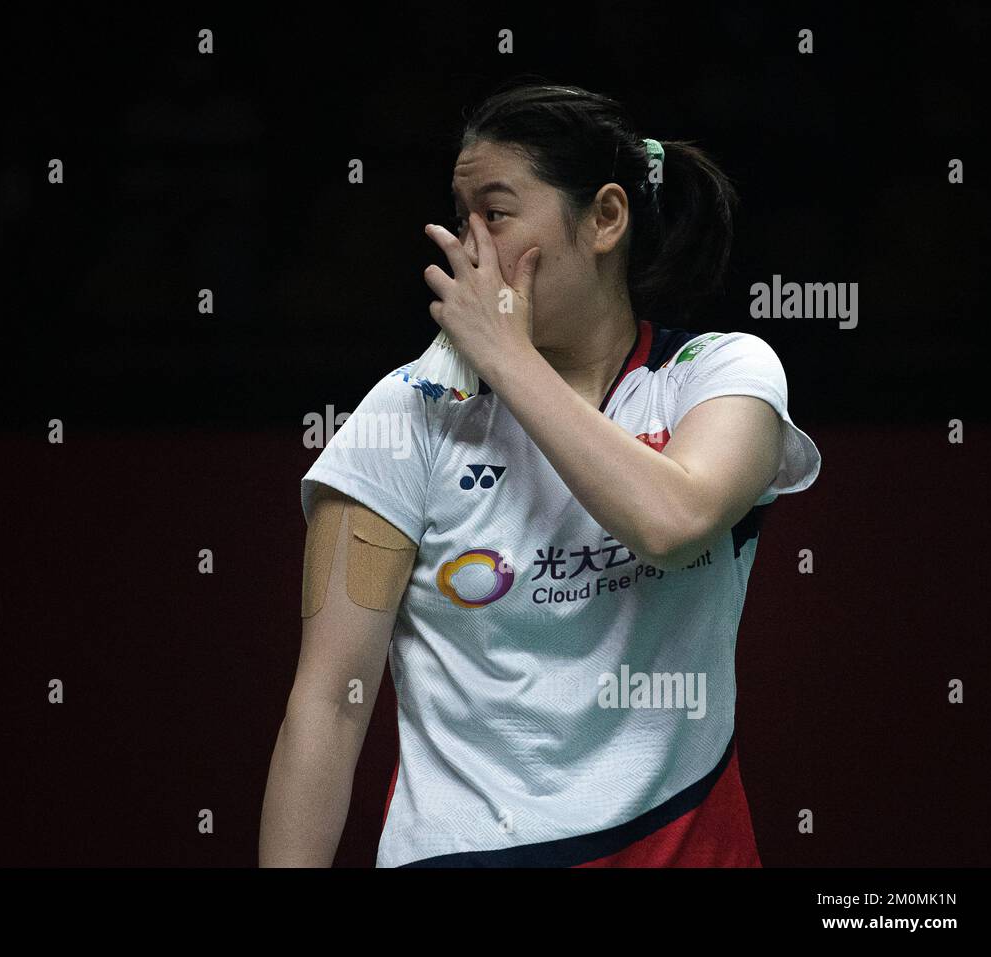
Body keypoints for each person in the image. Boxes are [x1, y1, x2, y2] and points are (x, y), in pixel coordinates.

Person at [260, 80, 822, 868]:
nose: (471, 246)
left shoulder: (717, 375)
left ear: (606, 218)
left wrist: (506, 357)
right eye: (463, 219)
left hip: (684, 848)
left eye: (496, 212)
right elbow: (327, 705)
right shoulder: (407, 414)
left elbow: (673, 522)